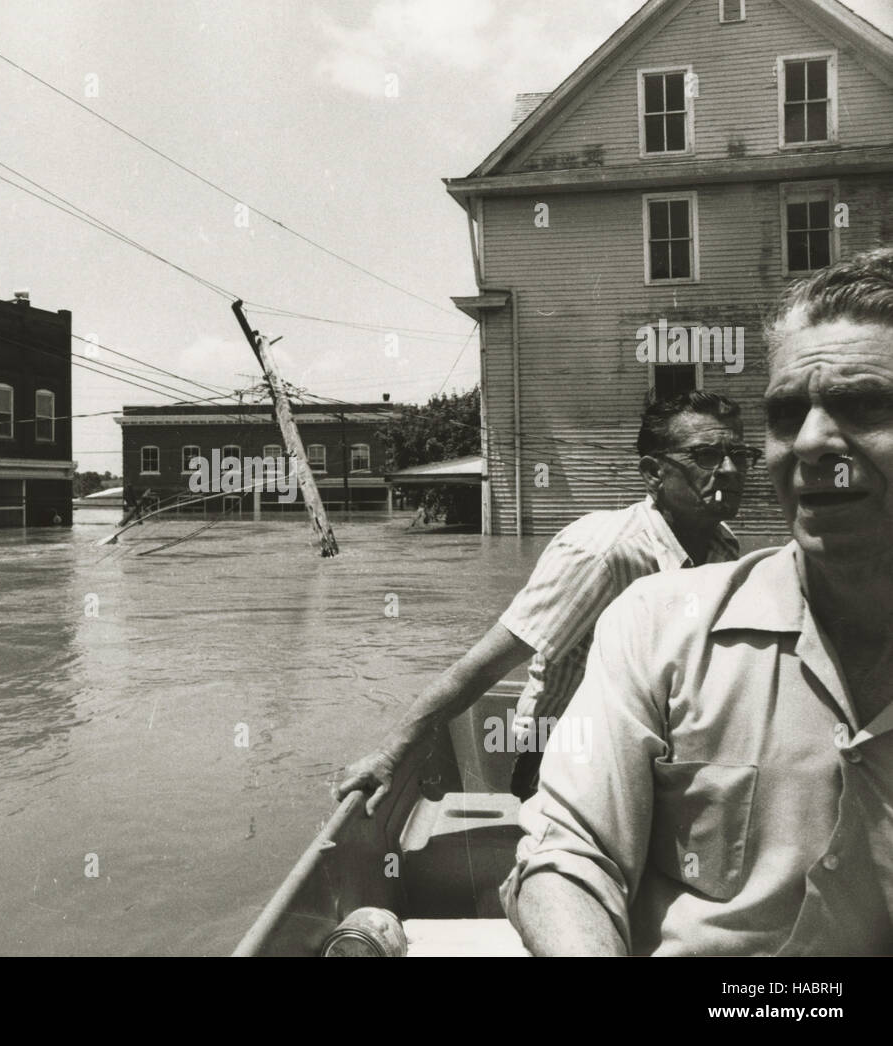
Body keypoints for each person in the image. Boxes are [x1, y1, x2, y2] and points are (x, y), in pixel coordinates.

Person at [502, 247, 893, 956]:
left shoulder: (719, 545)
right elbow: (568, 850)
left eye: (862, 406)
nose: (808, 442)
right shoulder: (633, 585)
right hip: (562, 750)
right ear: (653, 476)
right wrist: (404, 741)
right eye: (783, 415)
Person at [335, 389, 748, 812]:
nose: (731, 470)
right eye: (706, 456)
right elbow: (481, 667)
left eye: (740, 455)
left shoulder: (723, 548)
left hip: (656, 752)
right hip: (565, 761)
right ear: (653, 473)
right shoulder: (600, 555)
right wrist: (389, 755)